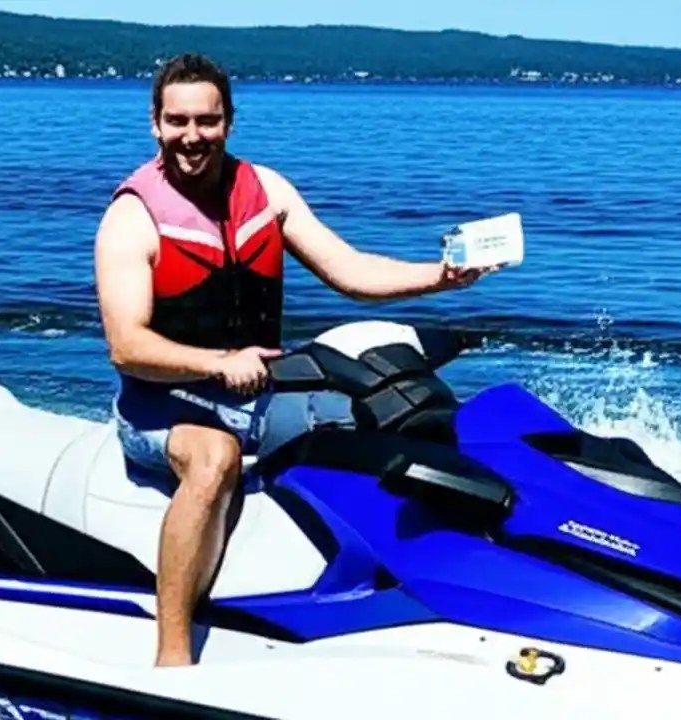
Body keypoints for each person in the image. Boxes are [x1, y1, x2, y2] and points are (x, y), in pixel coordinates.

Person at [93, 52, 491, 667]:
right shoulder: (132, 218)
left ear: (229, 121)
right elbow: (128, 345)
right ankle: (172, 654)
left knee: (389, 412)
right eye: (178, 122)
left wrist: (440, 277)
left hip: (254, 395)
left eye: (208, 120)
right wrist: (216, 363)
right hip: (157, 407)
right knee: (214, 458)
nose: (192, 137)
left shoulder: (266, 192)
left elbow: (350, 271)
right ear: (155, 124)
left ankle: (436, 584)